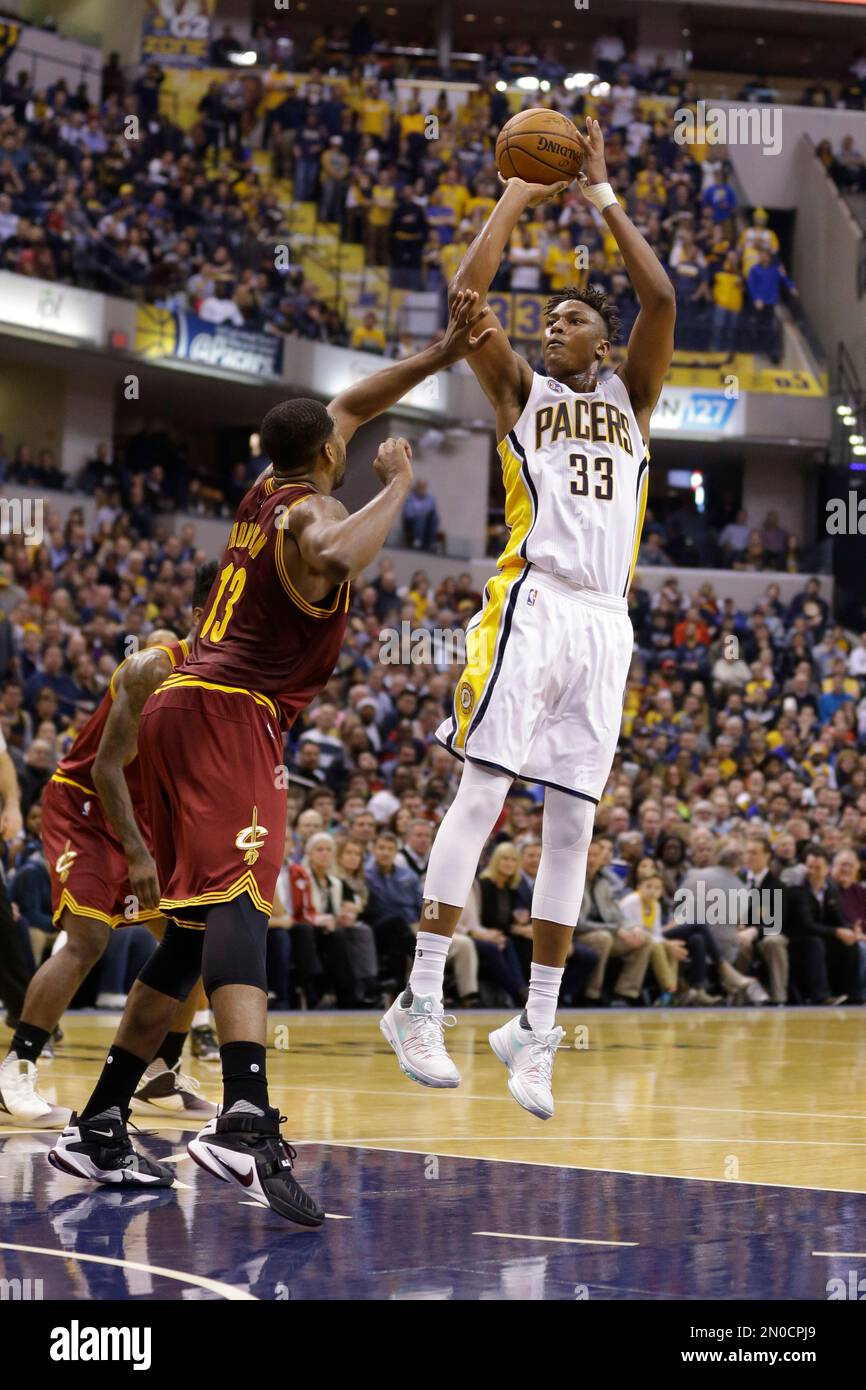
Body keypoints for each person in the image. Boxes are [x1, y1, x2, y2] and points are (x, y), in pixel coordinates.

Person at [49, 292, 495, 1222]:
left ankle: (95, 1126)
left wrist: (443, 354)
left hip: (185, 708)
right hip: (228, 714)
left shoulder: (268, 484)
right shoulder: (310, 510)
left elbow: (352, 402)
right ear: (328, 459)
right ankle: (244, 1119)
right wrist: (402, 483)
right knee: (246, 899)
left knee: (190, 936)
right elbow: (337, 549)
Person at [381, 116, 675, 1120]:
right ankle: (419, 997)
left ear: (603, 339)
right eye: (545, 318)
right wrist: (515, 186)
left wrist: (597, 192)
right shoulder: (520, 392)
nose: (553, 325)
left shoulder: (632, 398)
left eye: (571, 316)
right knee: (481, 791)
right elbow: (466, 301)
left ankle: (532, 1029)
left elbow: (662, 296)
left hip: (607, 623)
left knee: (571, 827)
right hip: (533, 600)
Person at [0, 565, 219, 1128]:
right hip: (86, 802)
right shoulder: (155, 666)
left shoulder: (227, 681)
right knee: (88, 938)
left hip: (145, 817)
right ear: (200, 618)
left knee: (190, 939)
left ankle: (160, 1076)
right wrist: (141, 853)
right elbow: (105, 768)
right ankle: (16, 1069)